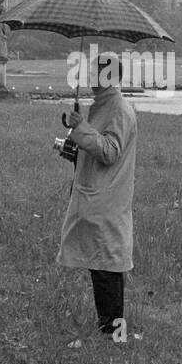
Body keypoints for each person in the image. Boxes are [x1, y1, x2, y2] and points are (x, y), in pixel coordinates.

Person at [57, 54, 138, 338]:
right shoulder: (102, 106)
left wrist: (81, 129)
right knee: (99, 262)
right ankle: (108, 328)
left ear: (107, 76)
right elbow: (94, 146)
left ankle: (113, 332)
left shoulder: (119, 109)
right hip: (97, 195)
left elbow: (109, 151)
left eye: (94, 72)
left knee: (107, 264)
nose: (89, 77)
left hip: (107, 198)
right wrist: (74, 140)